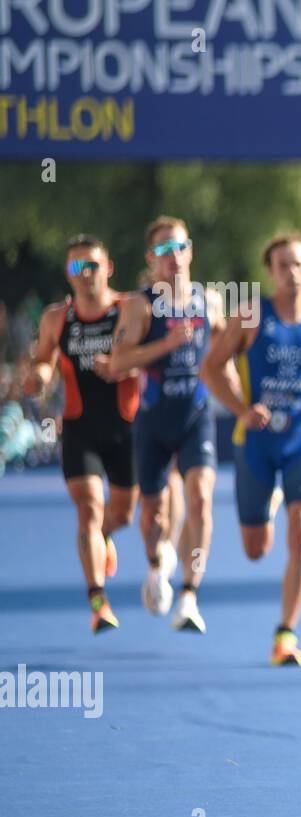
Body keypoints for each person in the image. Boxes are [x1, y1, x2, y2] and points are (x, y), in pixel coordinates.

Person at [201, 233, 301, 666]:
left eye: (298, 264)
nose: (291, 273)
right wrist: (240, 409)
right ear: (270, 273)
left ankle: (286, 633)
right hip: (254, 442)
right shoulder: (251, 316)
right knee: (256, 549)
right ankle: (268, 503)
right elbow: (211, 367)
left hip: (300, 441)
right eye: (282, 265)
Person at [109, 216, 227, 632]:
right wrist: (165, 344)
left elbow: (227, 352)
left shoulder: (210, 301)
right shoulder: (140, 306)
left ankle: (191, 596)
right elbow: (119, 361)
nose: (173, 257)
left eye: (179, 247)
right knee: (153, 517)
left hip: (196, 418)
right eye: (162, 251)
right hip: (153, 422)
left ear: (190, 251)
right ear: (151, 259)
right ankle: (157, 565)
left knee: (201, 502)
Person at [24, 235, 140, 632]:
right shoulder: (58, 318)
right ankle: (98, 599)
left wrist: (128, 365)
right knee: (89, 507)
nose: (85, 273)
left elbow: (147, 355)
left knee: (121, 512)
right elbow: (43, 362)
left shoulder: (130, 309)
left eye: (92, 265)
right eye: (77, 267)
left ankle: (104, 536)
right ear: (68, 274)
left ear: (108, 268)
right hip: (80, 427)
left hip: (126, 428)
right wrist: (37, 377)